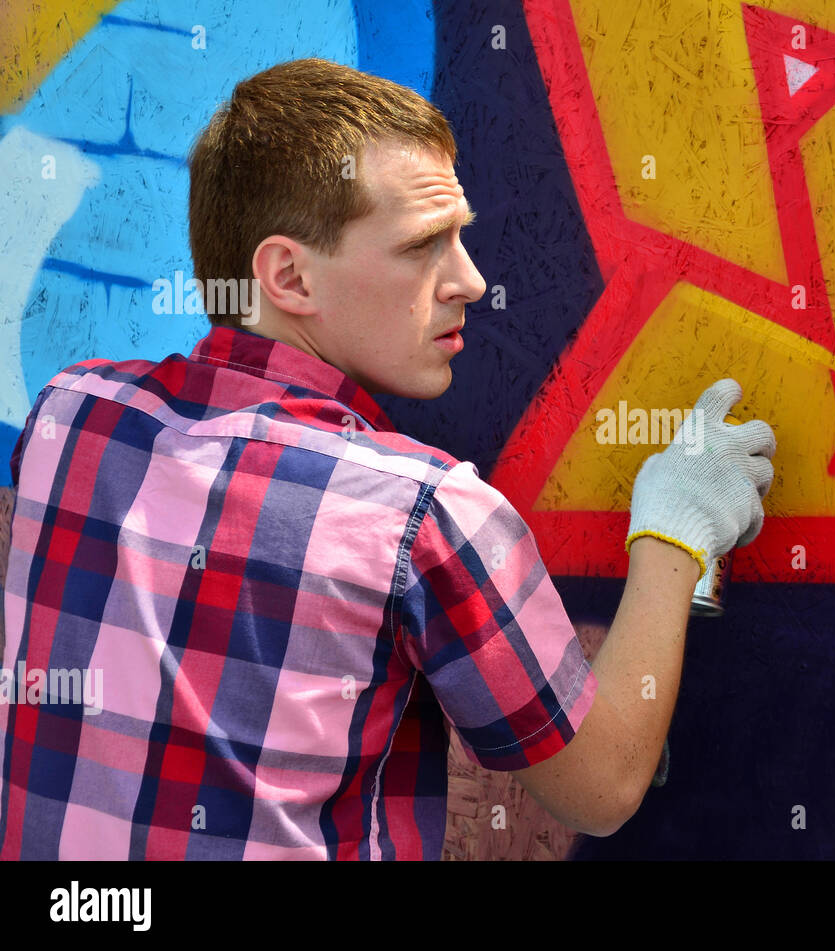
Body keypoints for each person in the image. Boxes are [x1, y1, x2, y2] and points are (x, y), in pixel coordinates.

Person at [0, 58, 775, 859]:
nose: (470, 280)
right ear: (288, 275)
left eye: (460, 236)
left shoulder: (71, 417)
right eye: (422, 246)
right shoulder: (423, 515)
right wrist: (675, 530)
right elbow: (604, 784)